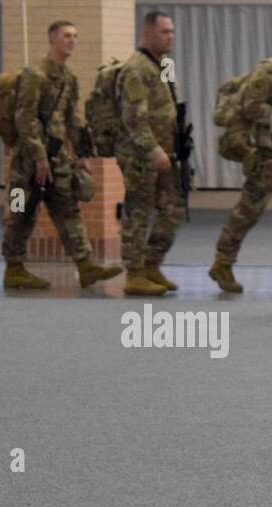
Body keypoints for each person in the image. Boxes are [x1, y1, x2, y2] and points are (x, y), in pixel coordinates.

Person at [1, 19, 121, 291]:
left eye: (75, 36)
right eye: (66, 36)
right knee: (20, 211)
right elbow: (24, 118)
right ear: (52, 39)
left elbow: (72, 120)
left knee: (68, 210)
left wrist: (81, 154)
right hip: (27, 160)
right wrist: (39, 155)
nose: (72, 41)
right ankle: (14, 268)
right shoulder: (35, 75)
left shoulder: (69, 79)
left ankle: (86, 265)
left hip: (58, 160)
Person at [208, 25, 272, 294]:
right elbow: (250, 106)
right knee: (247, 212)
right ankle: (222, 262)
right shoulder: (270, 70)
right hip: (267, 156)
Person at [116, 9, 184, 297]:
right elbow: (134, 119)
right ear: (147, 33)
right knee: (138, 211)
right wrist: (153, 149)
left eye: (171, 31)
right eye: (164, 32)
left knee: (173, 209)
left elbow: (170, 103)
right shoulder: (136, 69)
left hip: (167, 153)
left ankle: (151, 264)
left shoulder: (164, 64)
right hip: (142, 155)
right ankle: (134, 273)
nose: (170, 37)